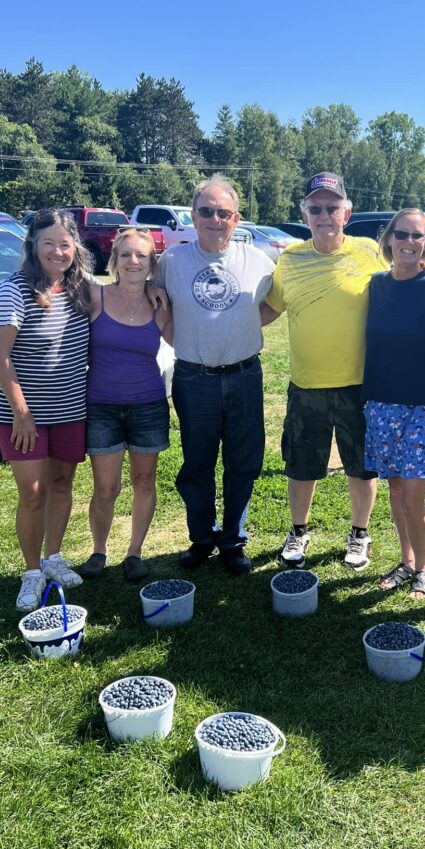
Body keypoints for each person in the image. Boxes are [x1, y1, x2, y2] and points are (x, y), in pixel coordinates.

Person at [261, 172, 388, 570]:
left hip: (360, 384)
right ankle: (298, 532)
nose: (324, 215)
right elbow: (268, 310)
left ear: (346, 213)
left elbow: (402, 288)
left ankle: (359, 535)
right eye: (315, 208)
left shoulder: (369, 252)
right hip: (306, 383)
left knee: (361, 464)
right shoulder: (291, 259)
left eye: (332, 207)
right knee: (301, 463)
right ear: (305, 214)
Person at [152, 175, 275, 575]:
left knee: (243, 463)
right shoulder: (172, 261)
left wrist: (247, 329)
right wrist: (184, 342)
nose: (215, 219)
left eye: (223, 213)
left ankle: (233, 542)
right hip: (194, 378)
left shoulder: (258, 260)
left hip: (244, 375)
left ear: (236, 219)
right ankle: (202, 538)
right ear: (193, 215)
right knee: (197, 464)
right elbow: (158, 304)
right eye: (206, 211)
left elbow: (277, 304)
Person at [0, 209, 91, 611]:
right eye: (48, 242)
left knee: (62, 483)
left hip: (70, 408)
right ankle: (32, 572)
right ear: (32, 245)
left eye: (65, 244)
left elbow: (123, 294)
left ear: (74, 249)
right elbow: (1, 356)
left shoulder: (81, 287)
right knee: (33, 494)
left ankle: (54, 557)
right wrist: (21, 412)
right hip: (24, 413)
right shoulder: (14, 290)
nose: (57, 251)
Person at [363, 209, 425, 599]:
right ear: (389, 240)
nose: (409, 242)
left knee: (414, 496)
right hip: (382, 400)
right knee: (396, 490)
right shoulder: (375, 286)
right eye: (402, 234)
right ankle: (406, 562)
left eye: (418, 236)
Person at [77, 228, 173, 583]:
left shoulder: (158, 302)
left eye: (142, 256)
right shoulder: (95, 296)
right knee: (106, 488)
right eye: (127, 254)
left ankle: (134, 552)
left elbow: (183, 339)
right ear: (114, 260)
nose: (134, 261)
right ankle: (98, 550)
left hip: (148, 404)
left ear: (151, 264)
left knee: (144, 481)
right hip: (101, 405)